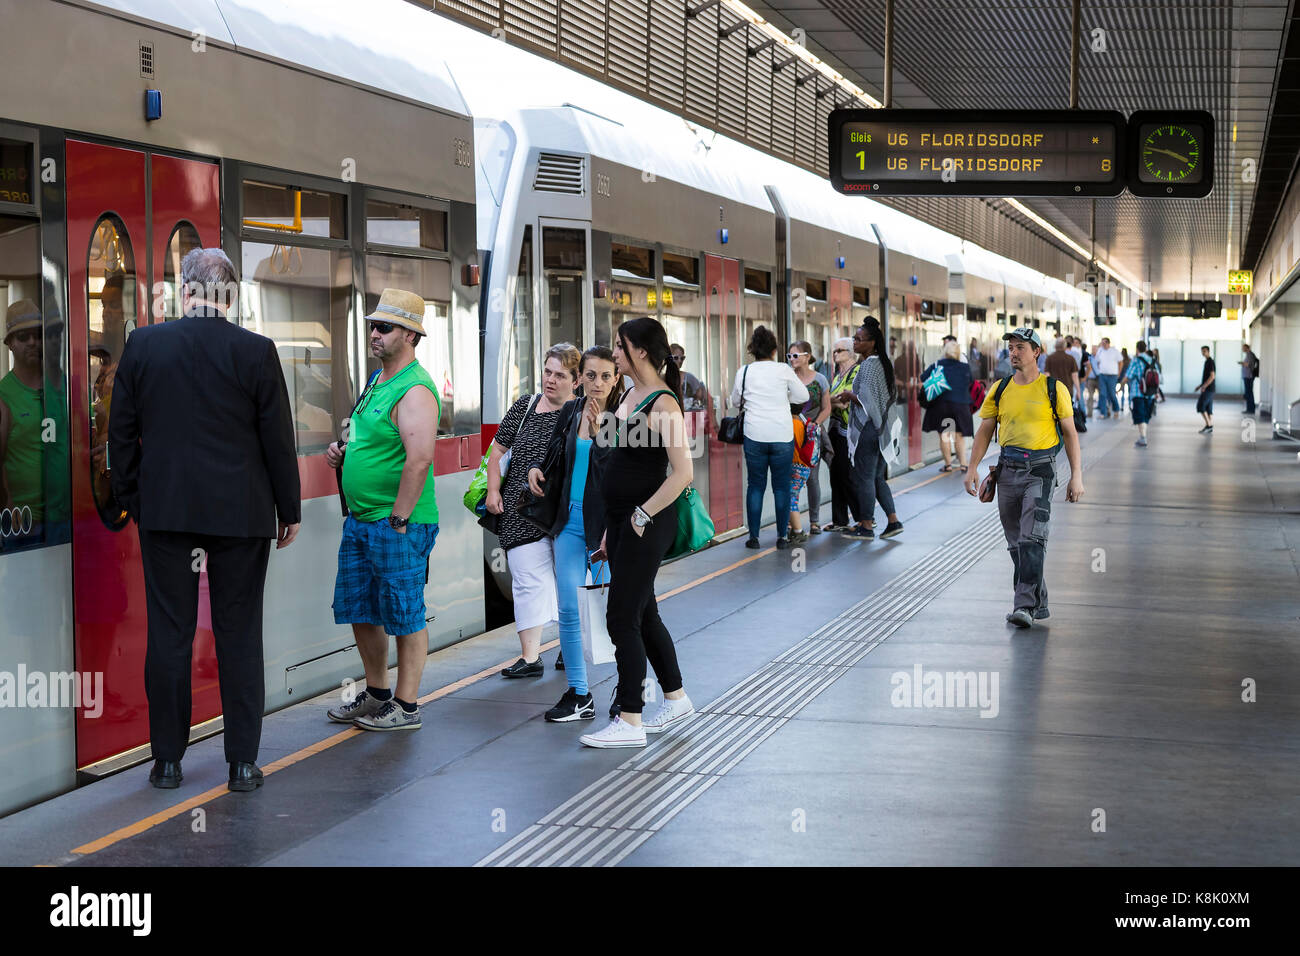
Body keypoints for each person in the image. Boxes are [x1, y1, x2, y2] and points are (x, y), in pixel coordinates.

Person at [108, 248, 300, 792]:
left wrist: (134, 501)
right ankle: (241, 763)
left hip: (166, 515)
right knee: (239, 634)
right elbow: (277, 442)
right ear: (230, 296)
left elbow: (120, 436)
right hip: (240, 519)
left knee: (169, 635)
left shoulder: (145, 345)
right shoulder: (256, 352)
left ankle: (167, 762)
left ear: (183, 289)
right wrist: (288, 510)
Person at [325, 288, 443, 733]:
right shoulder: (378, 382)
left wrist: (398, 520)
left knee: (404, 612)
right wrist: (343, 451)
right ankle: (377, 695)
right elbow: (366, 437)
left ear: (410, 335)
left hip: (397, 525)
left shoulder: (415, 389)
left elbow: (419, 460)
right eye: (373, 325)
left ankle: (407, 706)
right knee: (362, 609)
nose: (374, 333)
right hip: (361, 522)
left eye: (385, 327)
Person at [579, 317, 695, 749]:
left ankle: (630, 719)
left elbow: (682, 472)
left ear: (640, 352)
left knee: (620, 618)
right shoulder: (629, 393)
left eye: (620, 348)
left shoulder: (663, 404)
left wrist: (642, 514)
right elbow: (616, 450)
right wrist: (595, 426)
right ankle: (676, 697)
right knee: (644, 615)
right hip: (622, 522)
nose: (614, 354)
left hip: (647, 521)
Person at [525, 346, 622, 722]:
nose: (597, 384)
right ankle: (579, 694)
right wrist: (536, 468)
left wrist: (600, 438)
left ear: (616, 379)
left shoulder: (621, 418)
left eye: (605, 376)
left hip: (605, 531)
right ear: (580, 377)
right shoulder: (570, 410)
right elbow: (553, 454)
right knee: (568, 608)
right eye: (591, 375)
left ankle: (625, 689)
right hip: (569, 525)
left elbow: (618, 477)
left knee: (616, 613)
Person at [964, 328, 1083, 628]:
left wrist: (1076, 476)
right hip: (1008, 470)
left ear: (1036, 352)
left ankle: (1024, 606)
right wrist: (972, 467)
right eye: (1011, 348)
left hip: (1040, 472)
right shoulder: (1000, 389)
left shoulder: (1054, 389)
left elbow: (1069, 434)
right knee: (1016, 543)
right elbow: (985, 430)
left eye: (1020, 347)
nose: (1013, 353)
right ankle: (1037, 600)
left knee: (1033, 538)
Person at [486, 343, 581, 678]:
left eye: (560, 375)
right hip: (518, 509)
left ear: (576, 380)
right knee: (527, 580)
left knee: (564, 580)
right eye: (547, 371)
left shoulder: (581, 413)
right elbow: (496, 453)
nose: (550, 380)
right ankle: (530, 657)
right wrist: (494, 490)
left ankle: (568, 647)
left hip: (563, 512)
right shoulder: (524, 406)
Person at [730, 325, 808, 549]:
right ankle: (782, 537)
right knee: (781, 487)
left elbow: (736, 401)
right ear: (774, 350)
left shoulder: (744, 372)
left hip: (754, 435)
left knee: (755, 486)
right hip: (782, 435)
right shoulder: (783, 370)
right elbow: (802, 395)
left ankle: (753, 538)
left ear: (752, 350)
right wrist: (784, 396)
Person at [832, 317, 903, 540]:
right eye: (854, 338)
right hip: (883, 428)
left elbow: (868, 400)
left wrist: (850, 395)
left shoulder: (870, 365)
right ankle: (893, 521)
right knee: (876, 478)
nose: (855, 342)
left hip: (869, 429)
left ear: (871, 343)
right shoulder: (883, 362)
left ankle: (866, 526)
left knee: (863, 477)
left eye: (859, 339)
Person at [0, 299, 45, 543]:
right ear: (9, 344)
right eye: (23, 336)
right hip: (22, 524)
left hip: (67, 517)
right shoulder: (2, 395)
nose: (32, 342)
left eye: (37, 335)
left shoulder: (63, 388)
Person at [787, 340, 830, 538]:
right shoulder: (787, 378)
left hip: (811, 435)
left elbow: (826, 407)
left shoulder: (820, 379)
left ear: (807, 356)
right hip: (790, 434)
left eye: (795, 355)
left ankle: (814, 521)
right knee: (789, 479)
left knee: (812, 479)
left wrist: (816, 424)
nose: (791, 359)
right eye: (789, 356)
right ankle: (791, 522)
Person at [920, 338, 974, 473]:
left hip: (941, 405)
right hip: (960, 406)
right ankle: (963, 464)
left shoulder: (938, 365)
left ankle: (948, 464)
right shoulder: (965, 367)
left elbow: (923, 378)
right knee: (959, 435)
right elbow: (971, 382)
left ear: (945, 352)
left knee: (944, 435)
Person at [824, 337, 859, 533]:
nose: (836, 354)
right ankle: (839, 520)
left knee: (848, 475)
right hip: (835, 431)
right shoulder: (837, 376)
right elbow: (834, 400)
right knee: (835, 475)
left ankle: (863, 518)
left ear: (851, 352)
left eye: (840, 350)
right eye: (834, 351)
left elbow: (845, 401)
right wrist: (832, 400)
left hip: (849, 432)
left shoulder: (856, 372)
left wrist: (828, 401)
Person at [1125, 340, 1158, 447]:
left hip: (1138, 392)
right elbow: (1159, 377)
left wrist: (1120, 385)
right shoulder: (1152, 360)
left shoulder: (1136, 360)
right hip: (1151, 392)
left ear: (1137, 348)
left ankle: (1143, 437)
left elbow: (1129, 375)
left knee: (1140, 415)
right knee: (1146, 415)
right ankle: (1143, 435)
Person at [669, 343, 707, 413]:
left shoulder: (688, 377)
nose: (680, 361)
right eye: (676, 358)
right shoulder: (661, 378)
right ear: (669, 358)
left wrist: (694, 402)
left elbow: (702, 396)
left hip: (688, 418)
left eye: (682, 358)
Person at [1044, 337, 1080, 407]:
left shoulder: (1050, 358)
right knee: (1067, 412)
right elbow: (1075, 376)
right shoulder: (1071, 359)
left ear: (1055, 346)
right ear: (1065, 346)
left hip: (1054, 390)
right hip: (1068, 389)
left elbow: (1047, 375)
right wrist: (1078, 391)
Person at [1092, 336, 1121, 419]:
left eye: (1104, 343)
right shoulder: (1100, 351)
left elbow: (1120, 362)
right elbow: (1097, 361)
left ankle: (1116, 409)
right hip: (1102, 375)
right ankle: (1103, 412)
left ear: (1108, 343)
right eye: (1102, 343)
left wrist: (1118, 372)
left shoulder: (1114, 351)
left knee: (1112, 394)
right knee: (1102, 394)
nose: (1102, 344)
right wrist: (1099, 370)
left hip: (1112, 375)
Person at [1194, 345, 1215, 433]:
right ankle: (1208, 426)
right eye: (1202, 351)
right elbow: (1206, 377)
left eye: (1204, 351)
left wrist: (1204, 386)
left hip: (1209, 389)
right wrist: (1200, 386)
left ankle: (1209, 425)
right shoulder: (1207, 362)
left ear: (1208, 351)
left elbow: (1212, 376)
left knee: (1200, 406)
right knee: (1208, 408)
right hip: (1209, 388)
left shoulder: (1210, 362)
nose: (1203, 353)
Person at [1240, 343, 1259, 415]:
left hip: (1249, 376)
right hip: (1247, 376)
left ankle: (1250, 409)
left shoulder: (1250, 355)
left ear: (1247, 348)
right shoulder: (1248, 354)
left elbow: (1249, 364)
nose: (1242, 349)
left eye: (1243, 348)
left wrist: (1242, 363)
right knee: (1248, 393)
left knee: (1249, 393)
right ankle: (1249, 408)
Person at [1117, 347, 1131, 411]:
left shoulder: (1120, 360)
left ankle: (1122, 406)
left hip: (1123, 378)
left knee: (1123, 392)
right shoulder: (1129, 360)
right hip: (1128, 378)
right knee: (1128, 392)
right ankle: (1130, 405)